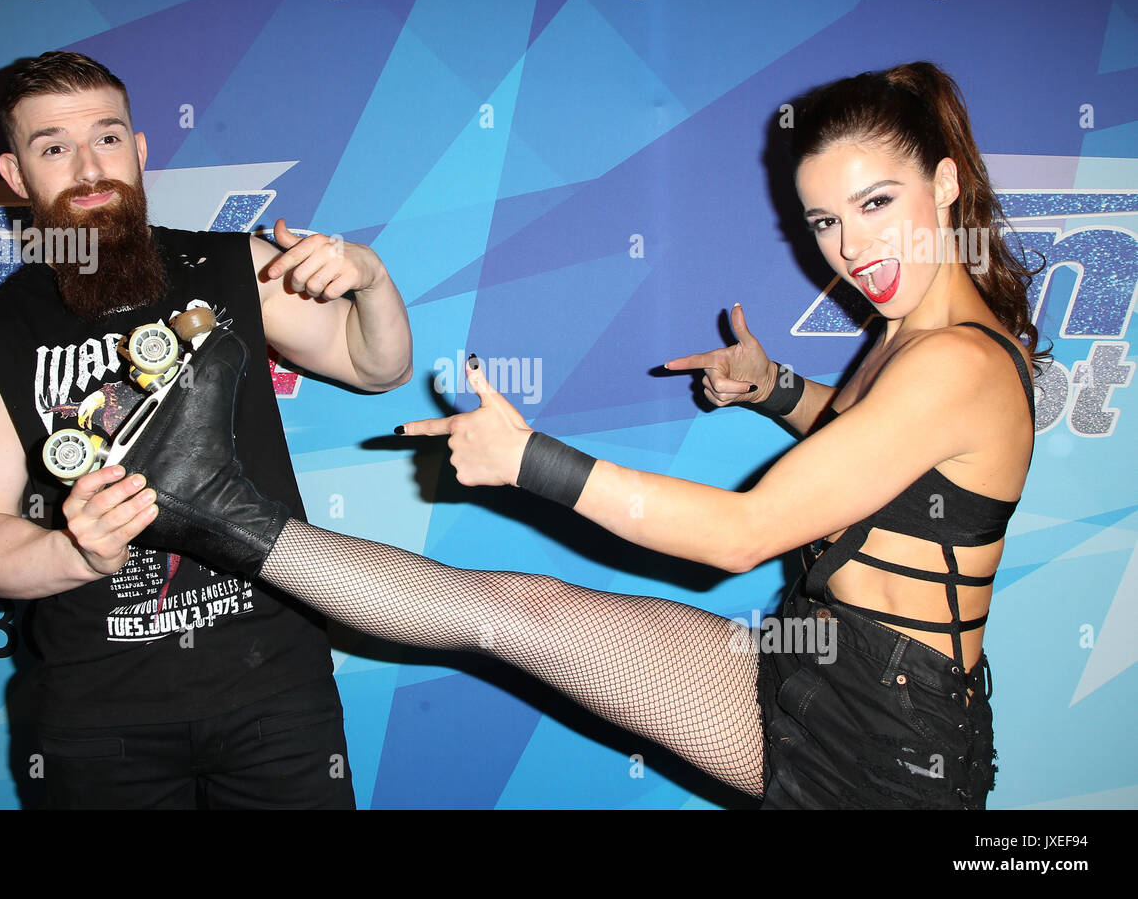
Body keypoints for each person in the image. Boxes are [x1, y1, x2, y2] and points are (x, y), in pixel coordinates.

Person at [70, 61, 1044, 809]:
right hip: (813, 671)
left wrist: (529, 463)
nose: (852, 248)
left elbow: (743, 535)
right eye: (825, 221)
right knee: (514, 609)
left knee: (511, 612)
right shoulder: (909, 338)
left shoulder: (953, 361)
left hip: (884, 748)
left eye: (877, 205)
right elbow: (879, 456)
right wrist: (777, 390)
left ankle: (214, 506)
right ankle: (212, 506)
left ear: (947, 184)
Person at [0, 51, 413, 809]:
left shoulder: (230, 264)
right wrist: (72, 550)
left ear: (141, 148)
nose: (91, 167)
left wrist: (373, 282)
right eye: (54, 146)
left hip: (274, 693)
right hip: (98, 717)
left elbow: (374, 364)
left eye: (108, 136)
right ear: (15, 175)